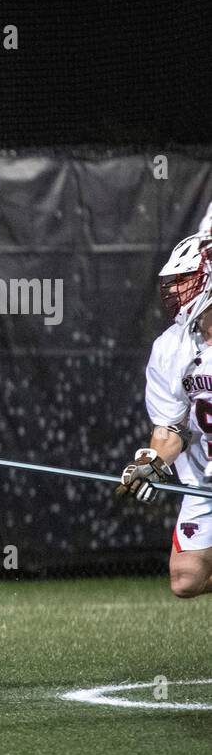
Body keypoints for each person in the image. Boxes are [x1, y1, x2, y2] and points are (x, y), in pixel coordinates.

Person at [119, 230, 212, 598]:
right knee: (185, 580)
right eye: (172, 283)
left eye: (185, 281)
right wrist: (149, 463)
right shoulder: (172, 347)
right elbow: (171, 430)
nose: (174, 292)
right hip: (205, 479)